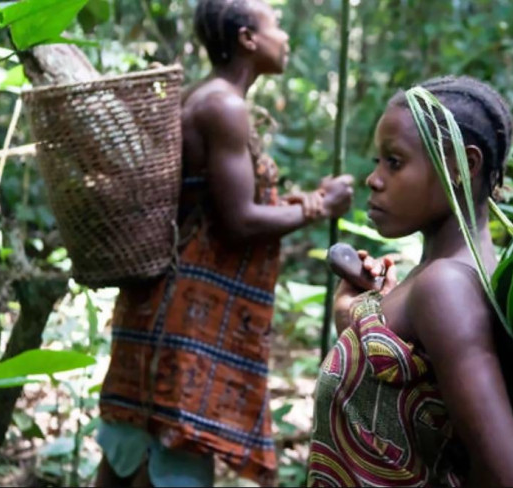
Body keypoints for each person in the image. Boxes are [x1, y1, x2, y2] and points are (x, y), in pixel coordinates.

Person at [95, 0, 355, 486]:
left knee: (132, 456)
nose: (286, 36)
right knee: (166, 459)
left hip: (162, 310)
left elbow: (210, 206)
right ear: (247, 39)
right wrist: (321, 205)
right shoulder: (223, 105)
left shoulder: (204, 97)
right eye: (276, 24)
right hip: (184, 317)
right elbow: (239, 220)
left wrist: (306, 200)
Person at [307, 76, 513, 487]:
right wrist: (360, 315)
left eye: (393, 162)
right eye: (378, 162)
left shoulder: (445, 286)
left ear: (460, 166)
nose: (373, 179)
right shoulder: (440, 276)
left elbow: (509, 477)